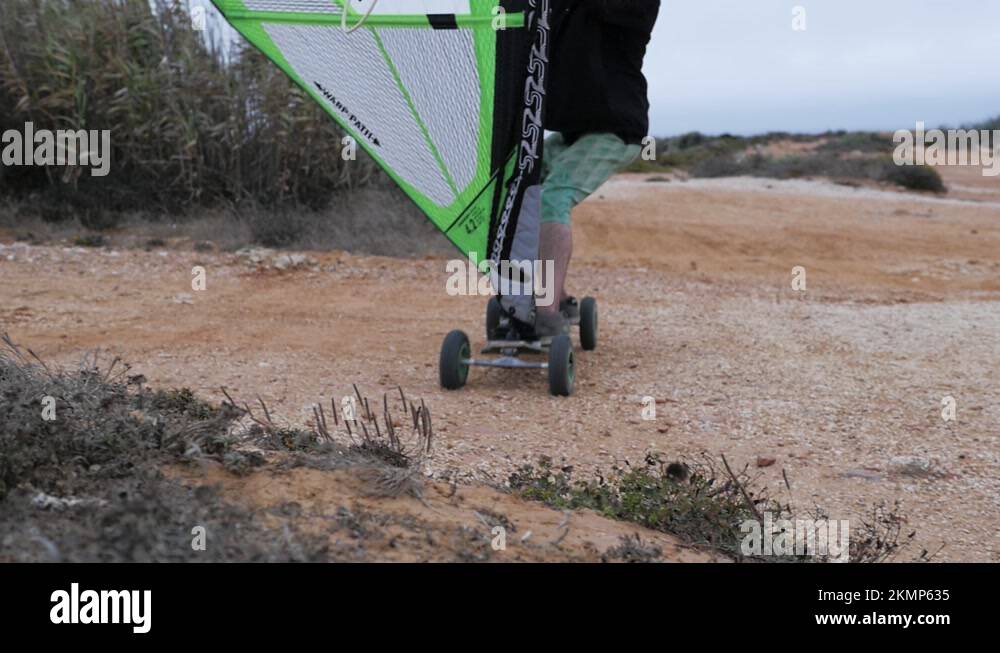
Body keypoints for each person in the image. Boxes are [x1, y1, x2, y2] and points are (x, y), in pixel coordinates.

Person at [533, 0, 661, 337]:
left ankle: (546, 309)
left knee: (554, 195)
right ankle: (556, 296)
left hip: (615, 128)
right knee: (520, 181)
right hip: (573, 129)